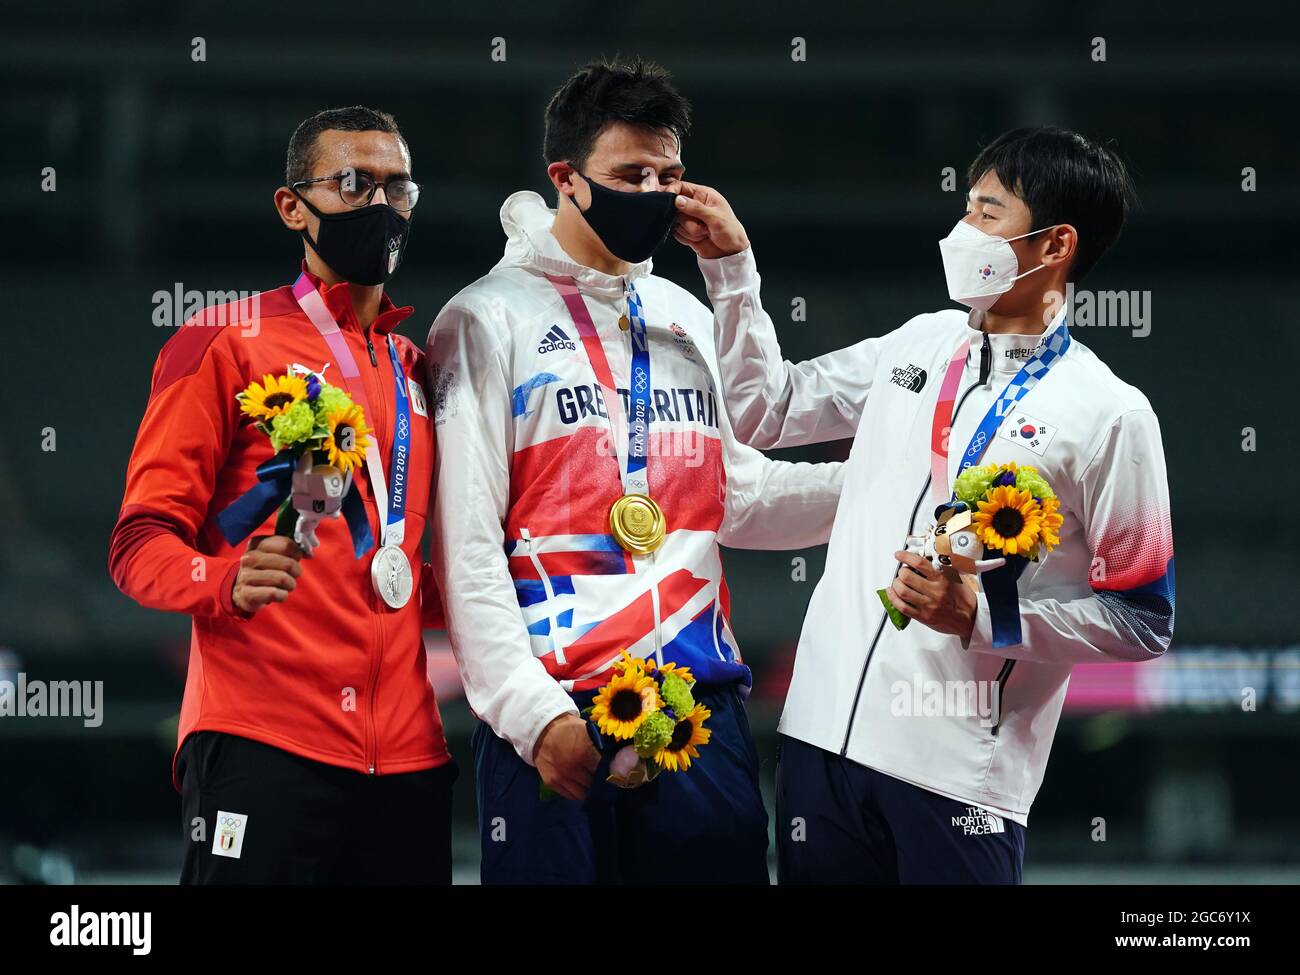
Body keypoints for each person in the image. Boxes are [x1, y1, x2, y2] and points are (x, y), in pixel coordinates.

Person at [676, 125, 1175, 883]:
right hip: (818, 745)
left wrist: (985, 614)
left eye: (987, 211)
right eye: (967, 206)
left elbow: (1144, 618)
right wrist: (729, 269)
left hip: (959, 779)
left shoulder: (1110, 414)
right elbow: (764, 412)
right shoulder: (918, 344)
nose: (962, 230)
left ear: (1054, 245)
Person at [426, 59, 843, 884]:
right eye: (630, 174)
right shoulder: (486, 318)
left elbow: (739, 494)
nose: (653, 191)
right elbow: (466, 544)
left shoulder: (687, 316)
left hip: (701, 706)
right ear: (566, 179)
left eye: (670, 175)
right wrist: (534, 716)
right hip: (556, 708)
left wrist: (894, 482)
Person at [109, 106, 455, 884]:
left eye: (398, 188)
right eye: (352, 183)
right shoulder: (222, 341)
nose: (379, 206)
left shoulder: (419, 371)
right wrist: (222, 578)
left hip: (408, 757)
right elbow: (138, 544)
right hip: (265, 742)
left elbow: (403, 570)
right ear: (292, 205)